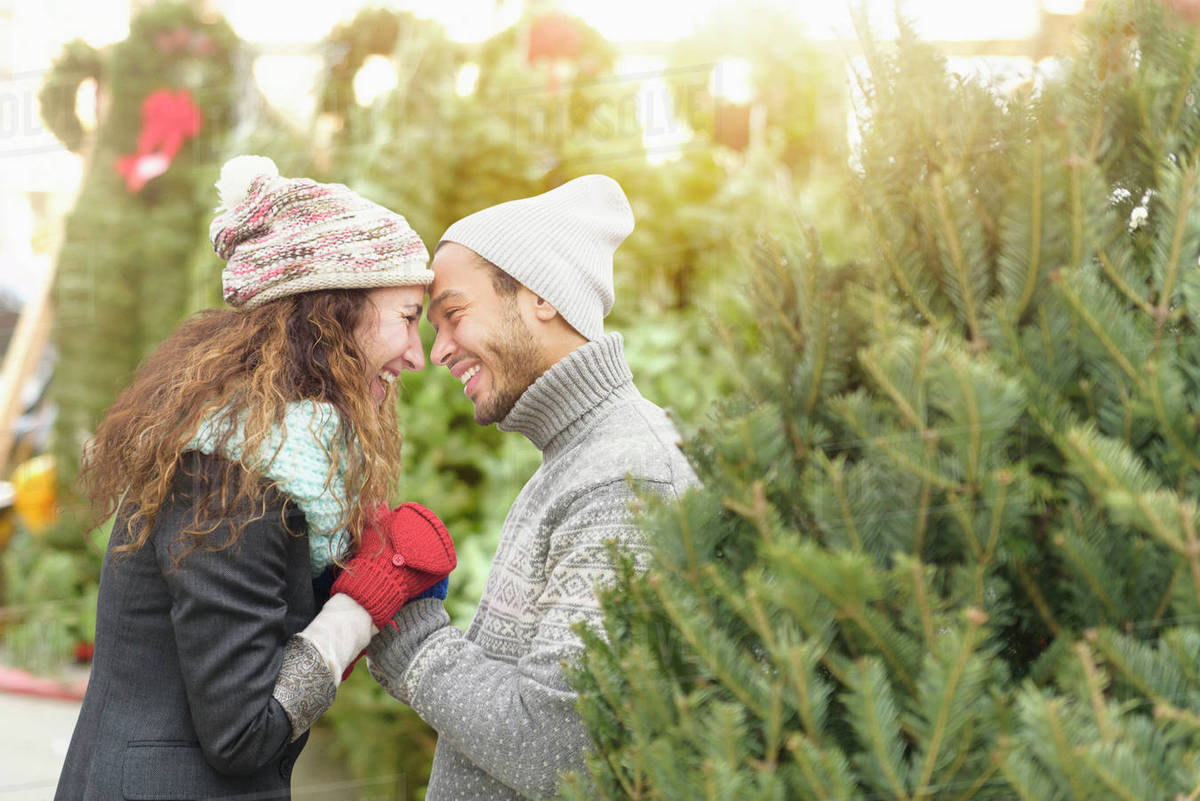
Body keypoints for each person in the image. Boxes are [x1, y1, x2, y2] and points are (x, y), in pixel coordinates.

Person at [55, 156, 456, 801]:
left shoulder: (259, 460)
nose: (415, 354)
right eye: (407, 317)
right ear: (333, 314)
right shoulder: (232, 478)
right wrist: (358, 606)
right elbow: (243, 733)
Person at [364, 175, 699, 800]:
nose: (438, 352)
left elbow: (560, 744)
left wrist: (408, 634)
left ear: (541, 295)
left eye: (454, 315)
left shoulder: (626, 478)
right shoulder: (573, 460)